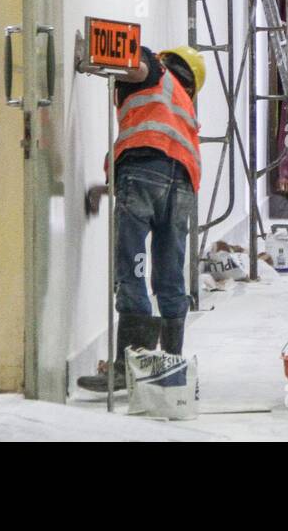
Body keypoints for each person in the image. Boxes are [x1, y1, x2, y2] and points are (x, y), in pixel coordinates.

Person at [77, 44, 206, 393]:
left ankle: (128, 366)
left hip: (143, 179)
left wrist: (90, 59)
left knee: (132, 269)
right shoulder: (183, 105)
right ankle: (169, 366)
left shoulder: (154, 69)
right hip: (182, 189)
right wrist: (105, 190)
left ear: (168, 62)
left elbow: (134, 66)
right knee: (169, 275)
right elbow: (161, 155)